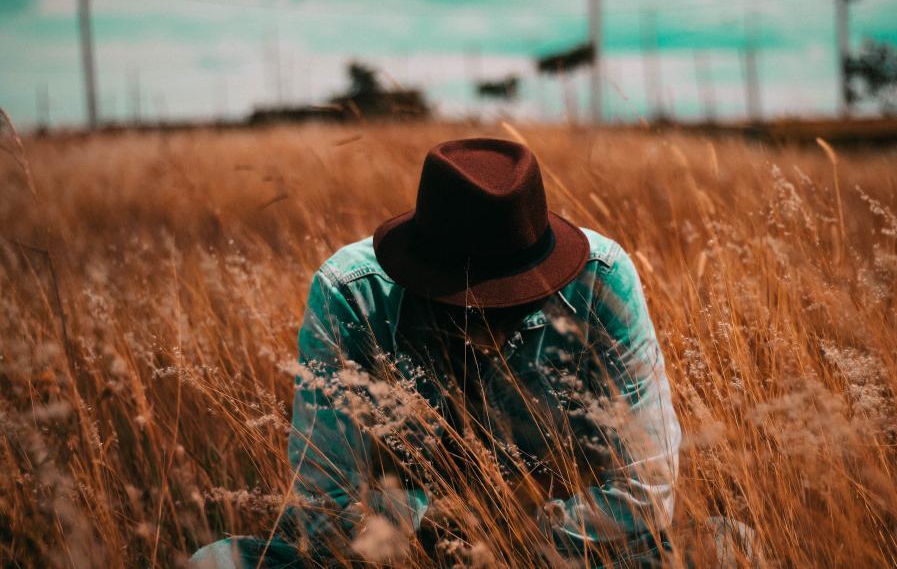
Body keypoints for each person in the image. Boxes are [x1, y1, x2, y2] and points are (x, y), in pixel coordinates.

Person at [190, 137, 682, 567]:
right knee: (215, 563)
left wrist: (513, 544)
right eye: (473, 303)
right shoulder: (351, 293)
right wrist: (435, 542)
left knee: (726, 544)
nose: (492, 323)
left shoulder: (601, 280)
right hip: (394, 555)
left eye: (514, 299)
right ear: (420, 275)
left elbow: (647, 491)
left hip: (558, 553)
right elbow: (324, 509)